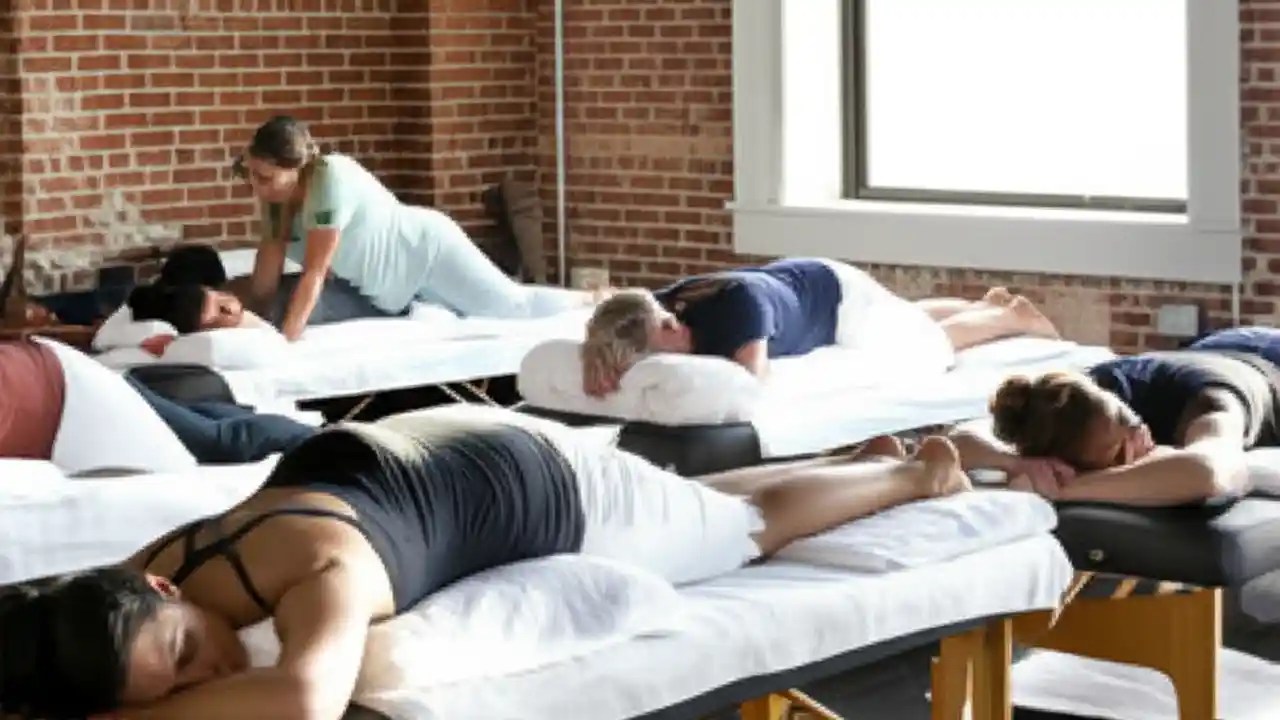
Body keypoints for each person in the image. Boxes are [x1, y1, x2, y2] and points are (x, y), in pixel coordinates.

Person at [0, 406, 971, 719]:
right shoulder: (139, 576)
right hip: (427, 447)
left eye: (185, 655)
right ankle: (858, 462)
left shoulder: (322, 570)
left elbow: (301, 700)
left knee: (736, 531)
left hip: (541, 483)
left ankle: (914, 474)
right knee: (690, 504)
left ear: (163, 594)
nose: (208, 676)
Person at [235, 115, 591, 341]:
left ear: (297, 168)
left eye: (265, 177)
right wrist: (257, 328)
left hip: (427, 252)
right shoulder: (275, 202)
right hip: (390, 292)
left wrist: (286, 345)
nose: (256, 186)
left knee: (513, 306)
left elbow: (315, 270)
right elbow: (265, 279)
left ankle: (595, 300)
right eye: (250, 174)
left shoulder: (329, 176)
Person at [581, 257, 1059, 397]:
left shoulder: (736, 310)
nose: (666, 356)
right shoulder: (657, 306)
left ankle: (1008, 317)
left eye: (663, 345)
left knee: (924, 349)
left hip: (838, 300)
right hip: (800, 282)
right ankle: (984, 304)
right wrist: (598, 355)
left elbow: (750, 384)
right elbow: (606, 310)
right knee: (902, 315)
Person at [949, 326, 1280, 507]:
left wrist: (1066, 489)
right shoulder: (1057, 406)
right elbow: (956, 443)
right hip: (1209, 350)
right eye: (1120, 453)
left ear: (1110, 397)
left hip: (1260, 357)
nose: (1138, 437)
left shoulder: (1213, 402)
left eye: (1128, 420)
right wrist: (1016, 464)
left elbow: (1209, 472)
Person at [0, 338, 312, 466]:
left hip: (72, 398)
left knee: (220, 443)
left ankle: (324, 440)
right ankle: (219, 412)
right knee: (183, 421)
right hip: (46, 376)